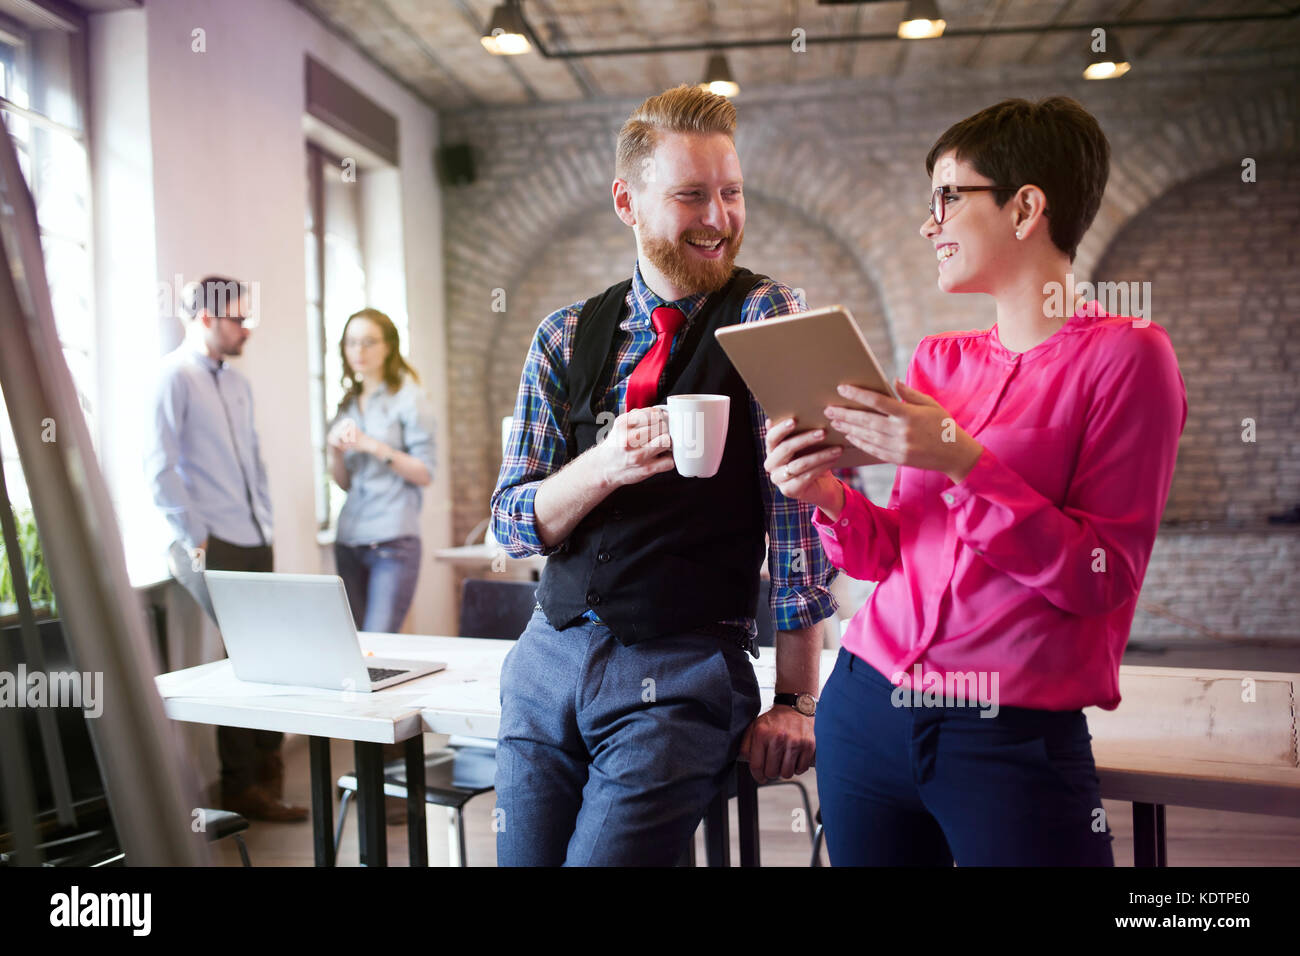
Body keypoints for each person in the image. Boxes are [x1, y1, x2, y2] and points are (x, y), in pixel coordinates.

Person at [766, 96, 1188, 866]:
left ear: (1027, 207)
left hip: (1007, 736)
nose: (930, 224)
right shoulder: (939, 364)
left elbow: (1103, 576)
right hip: (864, 706)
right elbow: (890, 556)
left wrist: (962, 458)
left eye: (948, 197)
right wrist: (828, 497)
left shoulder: (1130, 358)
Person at [489, 84, 838, 866]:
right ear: (628, 201)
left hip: (682, 671)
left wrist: (795, 698)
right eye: (691, 195)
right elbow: (512, 522)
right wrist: (603, 467)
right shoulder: (564, 335)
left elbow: (797, 528)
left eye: (731, 193)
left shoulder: (768, 314)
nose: (718, 218)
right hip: (545, 662)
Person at [146, 275, 308, 823]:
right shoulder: (172, 378)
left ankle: (263, 777)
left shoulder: (238, 385)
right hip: (207, 542)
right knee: (250, 654)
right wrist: (195, 536)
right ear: (206, 319)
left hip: (253, 535)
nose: (247, 330)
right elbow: (159, 468)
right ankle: (242, 786)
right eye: (239, 319)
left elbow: (254, 462)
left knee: (266, 652)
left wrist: (265, 523)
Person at [327, 308, 435, 634]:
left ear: (388, 346)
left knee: (379, 645)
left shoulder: (410, 398)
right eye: (351, 343)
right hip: (348, 540)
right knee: (355, 647)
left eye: (368, 342)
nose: (358, 351)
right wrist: (334, 452)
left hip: (393, 542)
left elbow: (425, 473)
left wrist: (372, 446)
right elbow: (344, 483)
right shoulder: (346, 404)